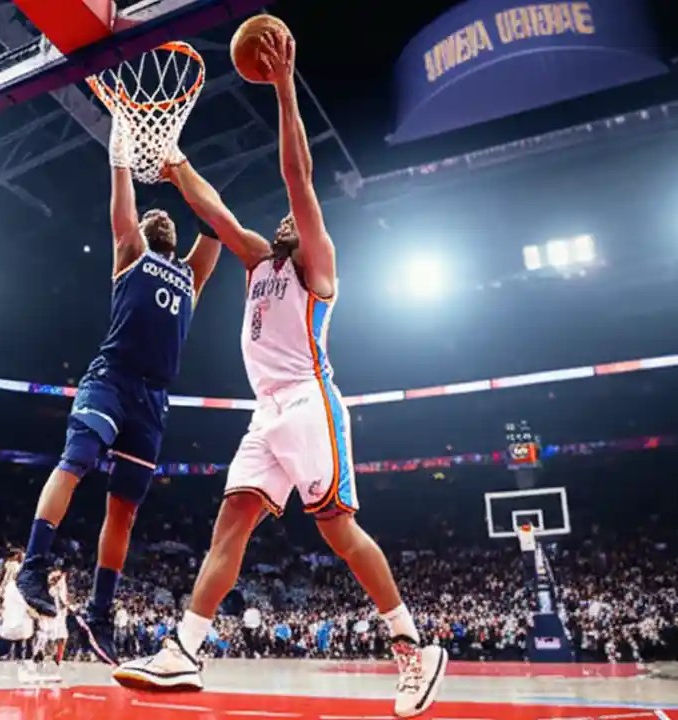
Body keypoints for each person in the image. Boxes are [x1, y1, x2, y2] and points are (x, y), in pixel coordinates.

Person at [111, 29, 447, 717]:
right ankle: (184, 650)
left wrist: (285, 85)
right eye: (285, 219)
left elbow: (299, 176)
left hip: (311, 403)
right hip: (266, 411)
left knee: (339, 531)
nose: (289, 219)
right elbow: (216, 213)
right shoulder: (259, 259)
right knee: (230, 524)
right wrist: (175, 168)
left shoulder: (317, 266)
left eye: (298, 218)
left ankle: (412, 646)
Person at [15, 110, 223, 666]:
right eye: (150, 213)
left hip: (153, 400)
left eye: (164, 216)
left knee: (125, 509)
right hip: (112, 380)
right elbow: (122, 201)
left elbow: (217, 223)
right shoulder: (131, 253)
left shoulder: (192, 277)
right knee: (76, 460)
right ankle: (33, 566)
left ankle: (100, 612)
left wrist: (179, 164)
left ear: (174, 235)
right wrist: (122, 151)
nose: (155, 217)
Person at [0, 550, 36, 682]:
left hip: (15, 610)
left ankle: (16, 669)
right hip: (14, 605)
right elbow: (7, 580)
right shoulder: (14, 567)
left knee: (18, 640)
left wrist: (0, 593)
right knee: (12, 638)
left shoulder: (15, 571)